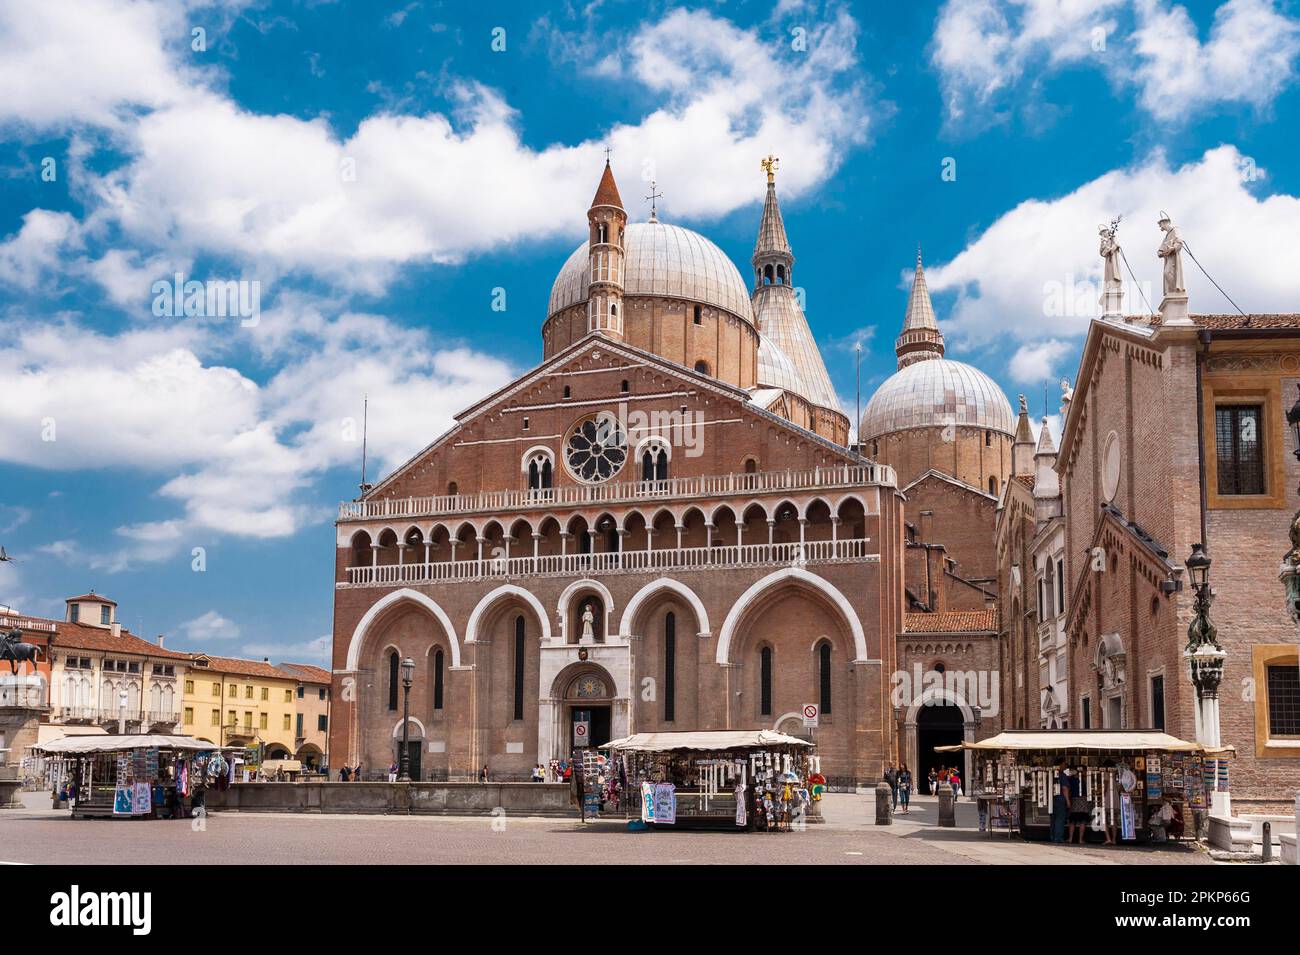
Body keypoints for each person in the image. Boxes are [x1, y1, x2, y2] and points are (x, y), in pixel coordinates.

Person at [1067, 769, 1089, 845]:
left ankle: (1070, 838)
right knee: (1082, 820)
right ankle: (1080, 839)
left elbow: (1068, 788)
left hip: (1074, 799)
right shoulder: (1085, 778)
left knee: (1073, 821)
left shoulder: (1071, 779)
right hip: (1083, 799)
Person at [1050, 761, 1068, 843]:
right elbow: (1065, 789)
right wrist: (1067, 800)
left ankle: (1053, 836)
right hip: (1060, 800)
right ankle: (1058, 838)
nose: (1065, 766)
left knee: (1053, 819)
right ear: (1059, 765)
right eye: (1064, 764)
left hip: (1052, 800)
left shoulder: (1051, 774)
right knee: (1059, 819)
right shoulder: (1062, 775)